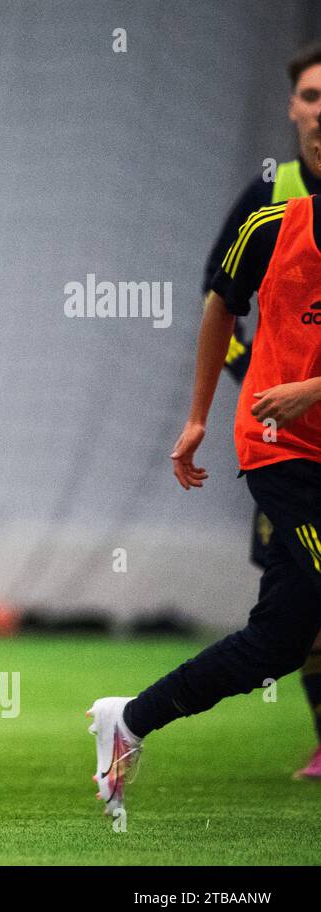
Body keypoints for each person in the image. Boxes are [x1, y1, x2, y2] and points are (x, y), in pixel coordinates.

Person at [90, 119, 321, 817]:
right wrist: (196, 418)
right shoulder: (273, 223)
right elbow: (221, 303)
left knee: (280, 640)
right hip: (281, 446)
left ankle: (128, 718)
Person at [201, 41, 321, 781]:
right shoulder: (268, 192)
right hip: (285, 440)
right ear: (292, 106)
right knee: (305, 604)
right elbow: (221, 302)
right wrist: (258, 379)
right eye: (310, 95)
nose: (319, 110)